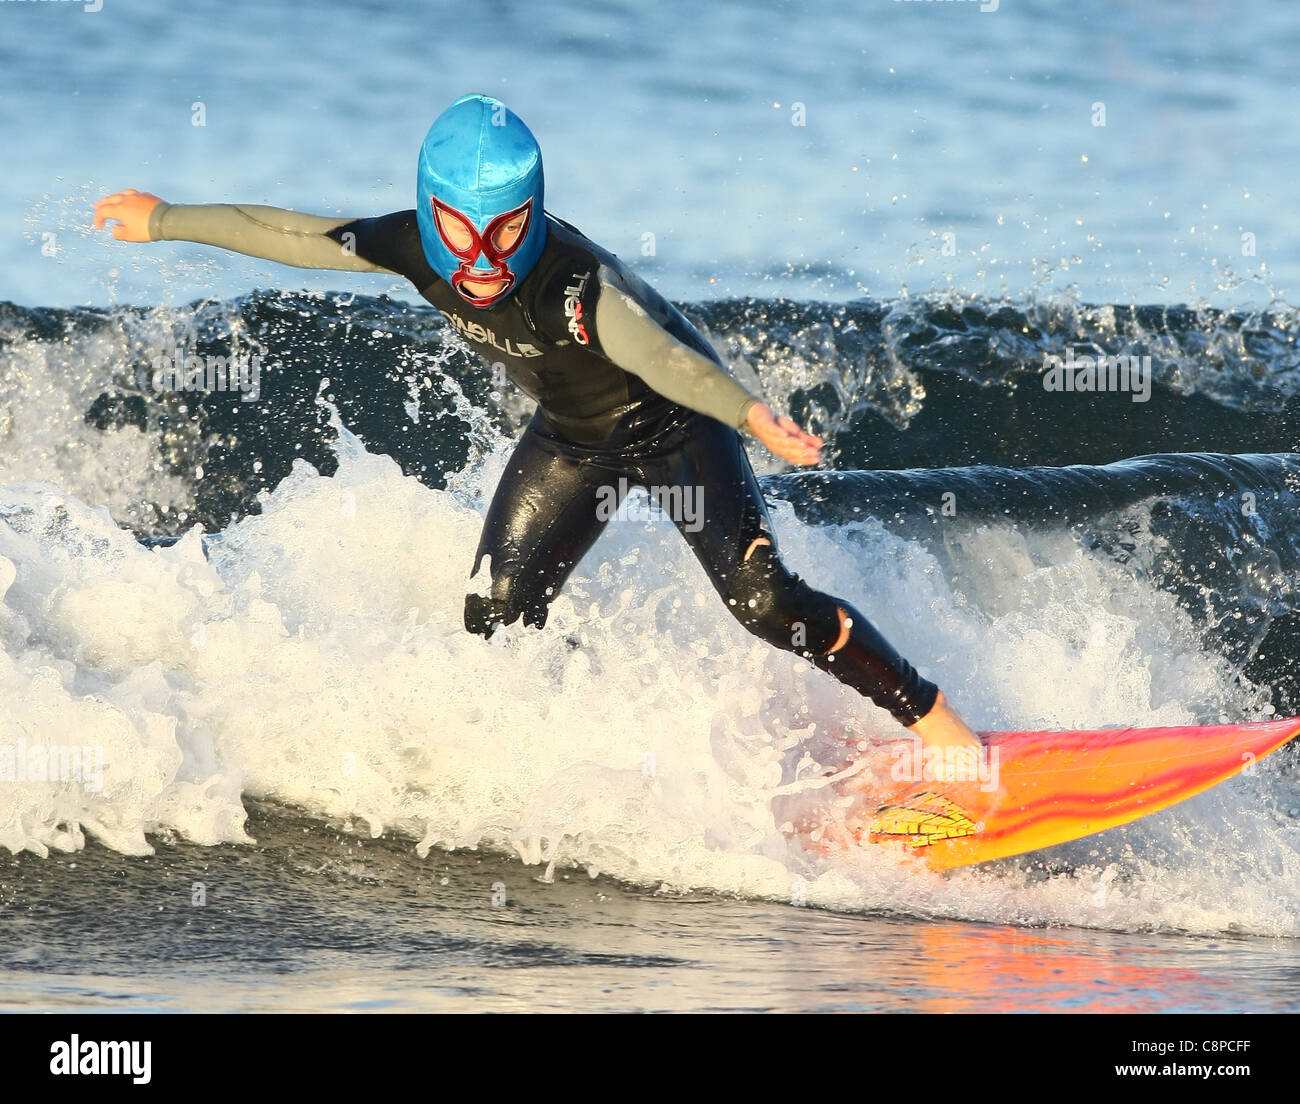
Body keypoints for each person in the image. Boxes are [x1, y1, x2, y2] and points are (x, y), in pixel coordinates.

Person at [93, 92, 980, 752]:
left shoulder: (572, 287)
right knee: (494, 618)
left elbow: (663, 358)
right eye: (459, 234)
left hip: (676, 430)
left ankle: (942, 729)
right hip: (573, 439)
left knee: (762, 602)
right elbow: (292, 233)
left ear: (532, 212)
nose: (479, 265)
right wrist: (165, 219)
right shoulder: (409, 245)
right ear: (432, 209)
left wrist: (746, 411)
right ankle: (559, 763)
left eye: (504, 233)